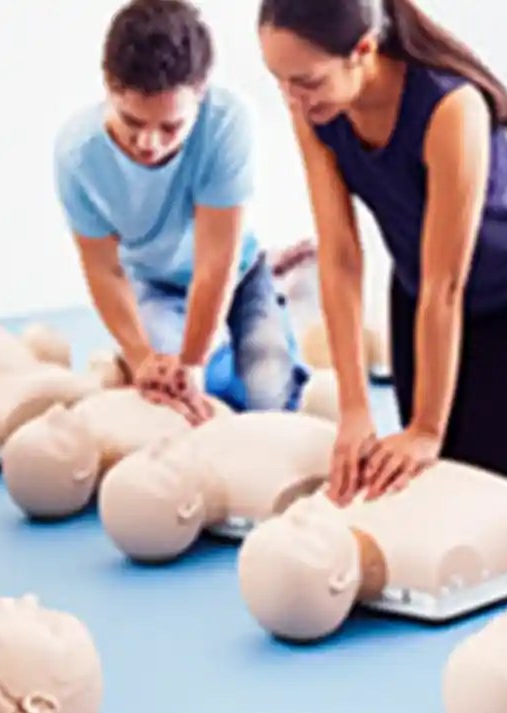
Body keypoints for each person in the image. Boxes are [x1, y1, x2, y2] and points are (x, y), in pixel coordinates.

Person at [256, 0, 507, 523]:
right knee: (430, 479)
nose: (292, 96)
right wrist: (354, 412)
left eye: (305, 80)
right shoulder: (315, 108)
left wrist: (426, 430)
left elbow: (446, 284)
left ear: (363, 51)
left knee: (499, 506)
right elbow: (338, 257)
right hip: (416, 290)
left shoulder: (452, 107)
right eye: (279, 80)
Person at [54, 0, 309, 424]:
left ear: (202, 91)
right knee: (175, 400)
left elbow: (214, 264)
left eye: (170, 127)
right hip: (156, 285)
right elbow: (104, 271)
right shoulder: (78, 154)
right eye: (133, 122)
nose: (149, 143)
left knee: (268, 396)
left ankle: (282, 287)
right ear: (109, 87)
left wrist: (192, 360)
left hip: (239, 273)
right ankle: (214, 344)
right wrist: (141, 360)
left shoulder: (229, 121)